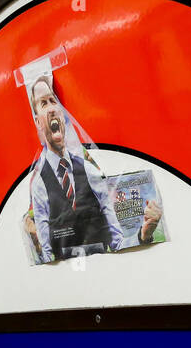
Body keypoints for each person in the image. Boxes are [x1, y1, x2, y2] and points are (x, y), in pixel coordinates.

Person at [26, 75, 162, 263]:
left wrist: (144, 234)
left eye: (53, 101)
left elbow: (117, 242)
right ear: (38, 121)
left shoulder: (90, 170)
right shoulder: (38, 183)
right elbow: (46, 255)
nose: (51, 109)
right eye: (43, 103)